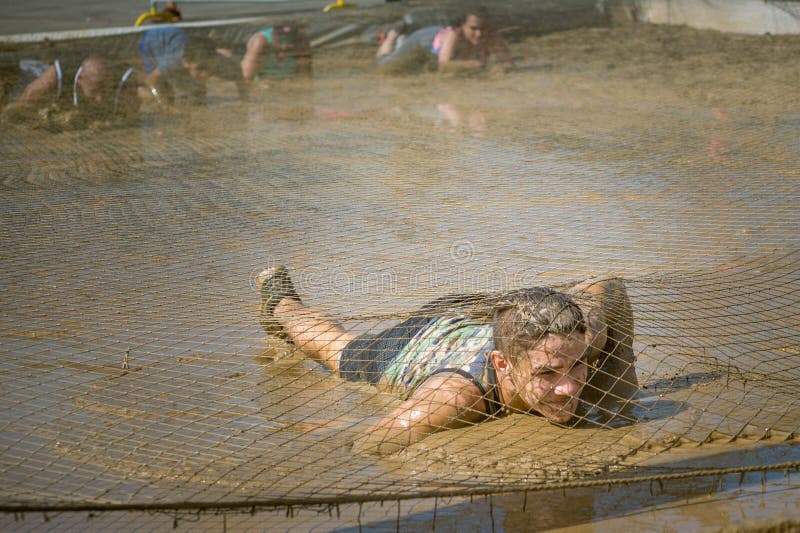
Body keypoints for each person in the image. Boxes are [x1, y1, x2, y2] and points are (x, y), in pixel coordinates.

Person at [256, 265, 639, 455]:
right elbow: (370, 446)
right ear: (503, 365)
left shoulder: (583, 333)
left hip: (472, 314)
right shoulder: (455, 398)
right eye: (547, 374)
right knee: (332, 347)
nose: (569, 386)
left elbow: (606, 285)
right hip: (410, 347)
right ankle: (280, 302)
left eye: (575, 365)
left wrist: (621, 392)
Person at [4, 55, 139, 126]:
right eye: (95, 91)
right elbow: (21, 106)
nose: (100, 99)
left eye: (105, 91)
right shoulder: (56, 77)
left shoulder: (123, 83)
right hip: (31, 72)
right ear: (80, 80)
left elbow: (135, 117)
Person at [376, 9, 513, 74]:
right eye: (473, 28)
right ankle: (392, 35)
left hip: (441, 40)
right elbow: (444, 66)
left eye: (484, 28)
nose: (479, 33)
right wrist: (478, 66)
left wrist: (501, 69)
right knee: (383, 65)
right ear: (461, 26)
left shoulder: (490, 35)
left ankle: (400, 39)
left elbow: (508, 63)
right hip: (424, 39)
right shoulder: (453, 35)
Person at [139, 26, 237, 105]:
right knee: (164, 91)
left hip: (176, 37)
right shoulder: (173, 62)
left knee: (198, 94)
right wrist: (163, 103)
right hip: (151, 40)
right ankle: (138, 91)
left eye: (210, 68)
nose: (206, 74)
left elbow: (238, 72)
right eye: (200, 68)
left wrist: (243, 95)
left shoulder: (214, 56)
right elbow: (151, 79)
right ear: (186, 63)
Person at [240, 22, 312, 84]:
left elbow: (306, 80)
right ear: (274, 34)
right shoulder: (260, 43)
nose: (284, 47)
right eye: (281, 41)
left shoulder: (301, 42)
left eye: (290, 42)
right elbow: (245, 80)